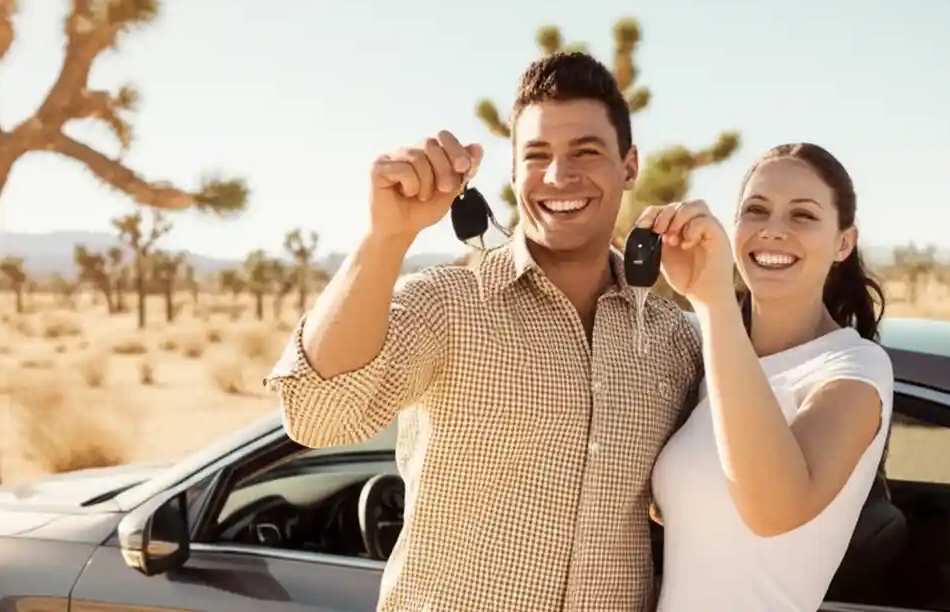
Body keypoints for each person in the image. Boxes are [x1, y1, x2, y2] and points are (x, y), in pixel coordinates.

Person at [264, 51, 704, 612]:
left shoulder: (675, 339)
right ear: (514, 170)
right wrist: (386, 238)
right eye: (536, 155)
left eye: (586, 152)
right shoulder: (447, 303)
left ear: (629, 165)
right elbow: (317, 414)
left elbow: (706, 500)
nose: (558, 176)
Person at [645, 142, 894, 611]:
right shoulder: (716, 361)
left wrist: (713, 300)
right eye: (756, 210)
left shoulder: (856, 369)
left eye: (802, 216)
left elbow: (773, 511)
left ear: (844, 242)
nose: (773, 231)